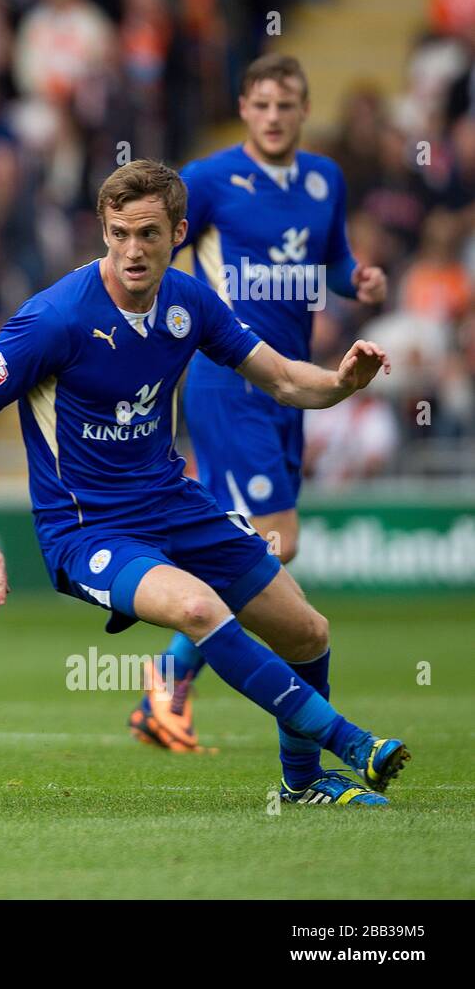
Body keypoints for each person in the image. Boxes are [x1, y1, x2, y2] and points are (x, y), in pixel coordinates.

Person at [0, 159, 408, 806]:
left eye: (149, 234)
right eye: (118, 233)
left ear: (179, 232)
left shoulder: (189, 302)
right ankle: (353, 743)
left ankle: (303, 784)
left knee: (308, 632)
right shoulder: (55, 318)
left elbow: (282, 378)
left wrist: (341, 383)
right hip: (87, 528)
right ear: (104, 231)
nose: (132, 250)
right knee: (196, 609)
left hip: (174, 502)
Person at [133, 55, 387, 766]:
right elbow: (156, 245)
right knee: (278, 538)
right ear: (244, 107)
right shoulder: (209, 181)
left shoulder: (324, 179)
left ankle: (169, 679)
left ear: (304, 111)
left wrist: (356, 279)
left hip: (292, 383)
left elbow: (330, 261)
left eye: (288, 104)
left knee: (247, 539)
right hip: (228, 379)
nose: (275, 116)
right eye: (263, 103)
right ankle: (169, 678)